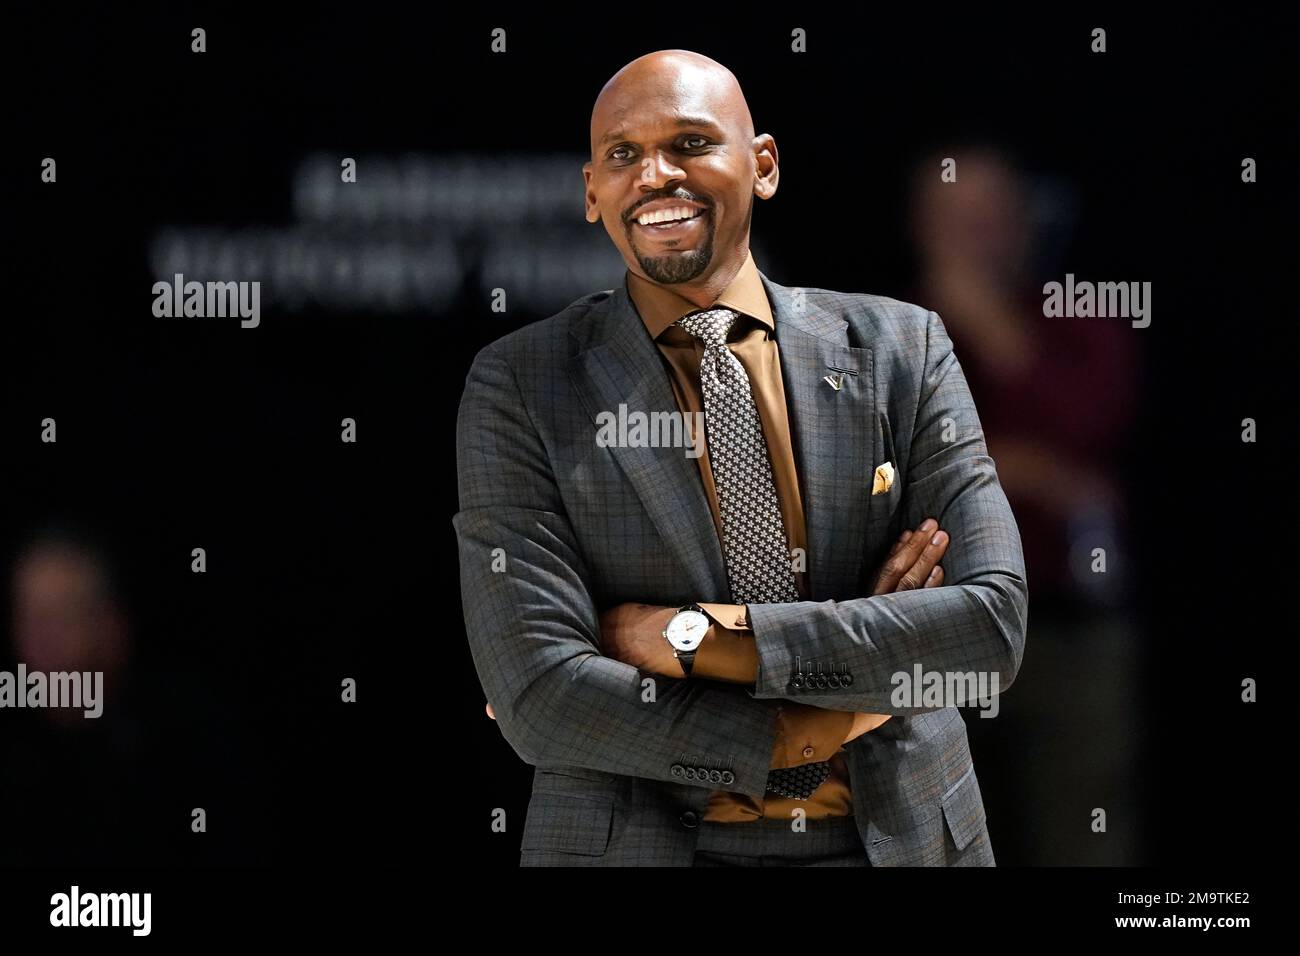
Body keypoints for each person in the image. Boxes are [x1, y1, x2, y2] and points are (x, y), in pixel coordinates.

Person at [454, 49, 1027, 866]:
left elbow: (989, 630)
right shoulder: (522, 384)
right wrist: (827, 713)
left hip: (898, 840)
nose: (655, 176)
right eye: (623, 155)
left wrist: (693, 638)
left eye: (689, 144)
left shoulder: (905, 348)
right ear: (591, 192)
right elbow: (540, 697)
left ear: (762, 166)